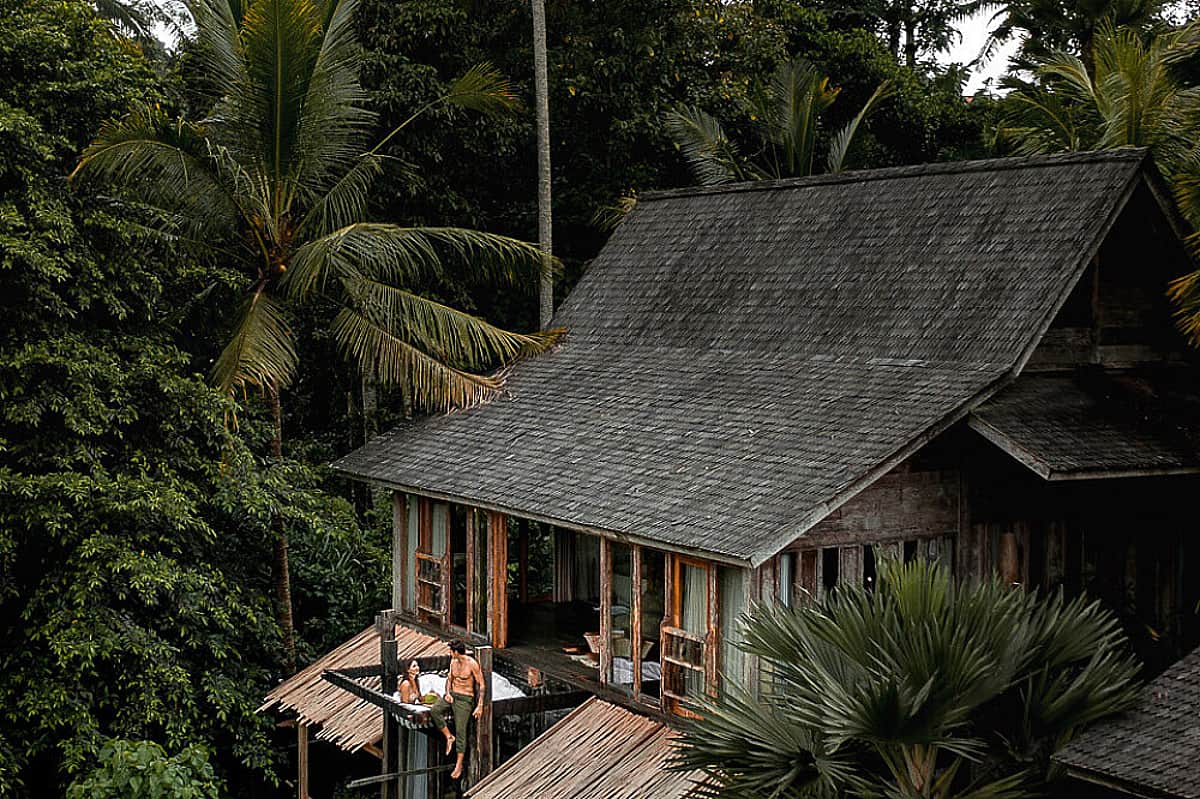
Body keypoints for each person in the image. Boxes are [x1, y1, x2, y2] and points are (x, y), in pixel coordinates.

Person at [428, 640, 485, 780]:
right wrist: (447, 693)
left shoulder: (472, 664)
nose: (450, 653)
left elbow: (482, 685)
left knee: (461, 730)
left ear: (456, 652)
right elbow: (449, 679)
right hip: (453, 694)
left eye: (451, 651)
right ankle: (448, 736)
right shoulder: (453, 662)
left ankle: (458, 764)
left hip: (465, 698)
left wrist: (480, 705)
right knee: (435, 710)